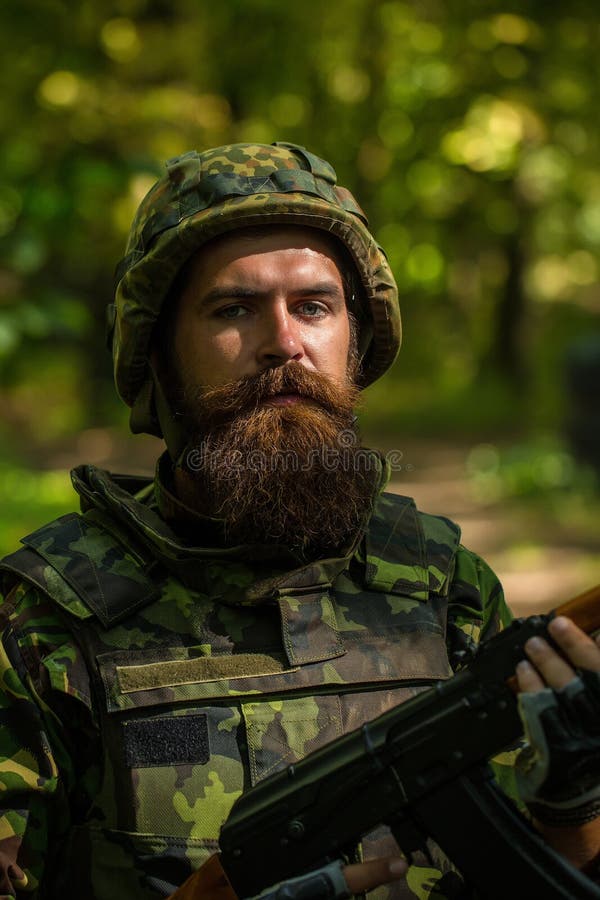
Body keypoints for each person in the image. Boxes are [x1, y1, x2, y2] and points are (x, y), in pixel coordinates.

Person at [0, 142, 598, 900]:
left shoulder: (446, 589)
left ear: (357, 340)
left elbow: (549, 872)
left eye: (314, 306)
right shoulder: (42, 625)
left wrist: (570, 800)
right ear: (157, 352)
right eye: (234, 309)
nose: (285, 344)